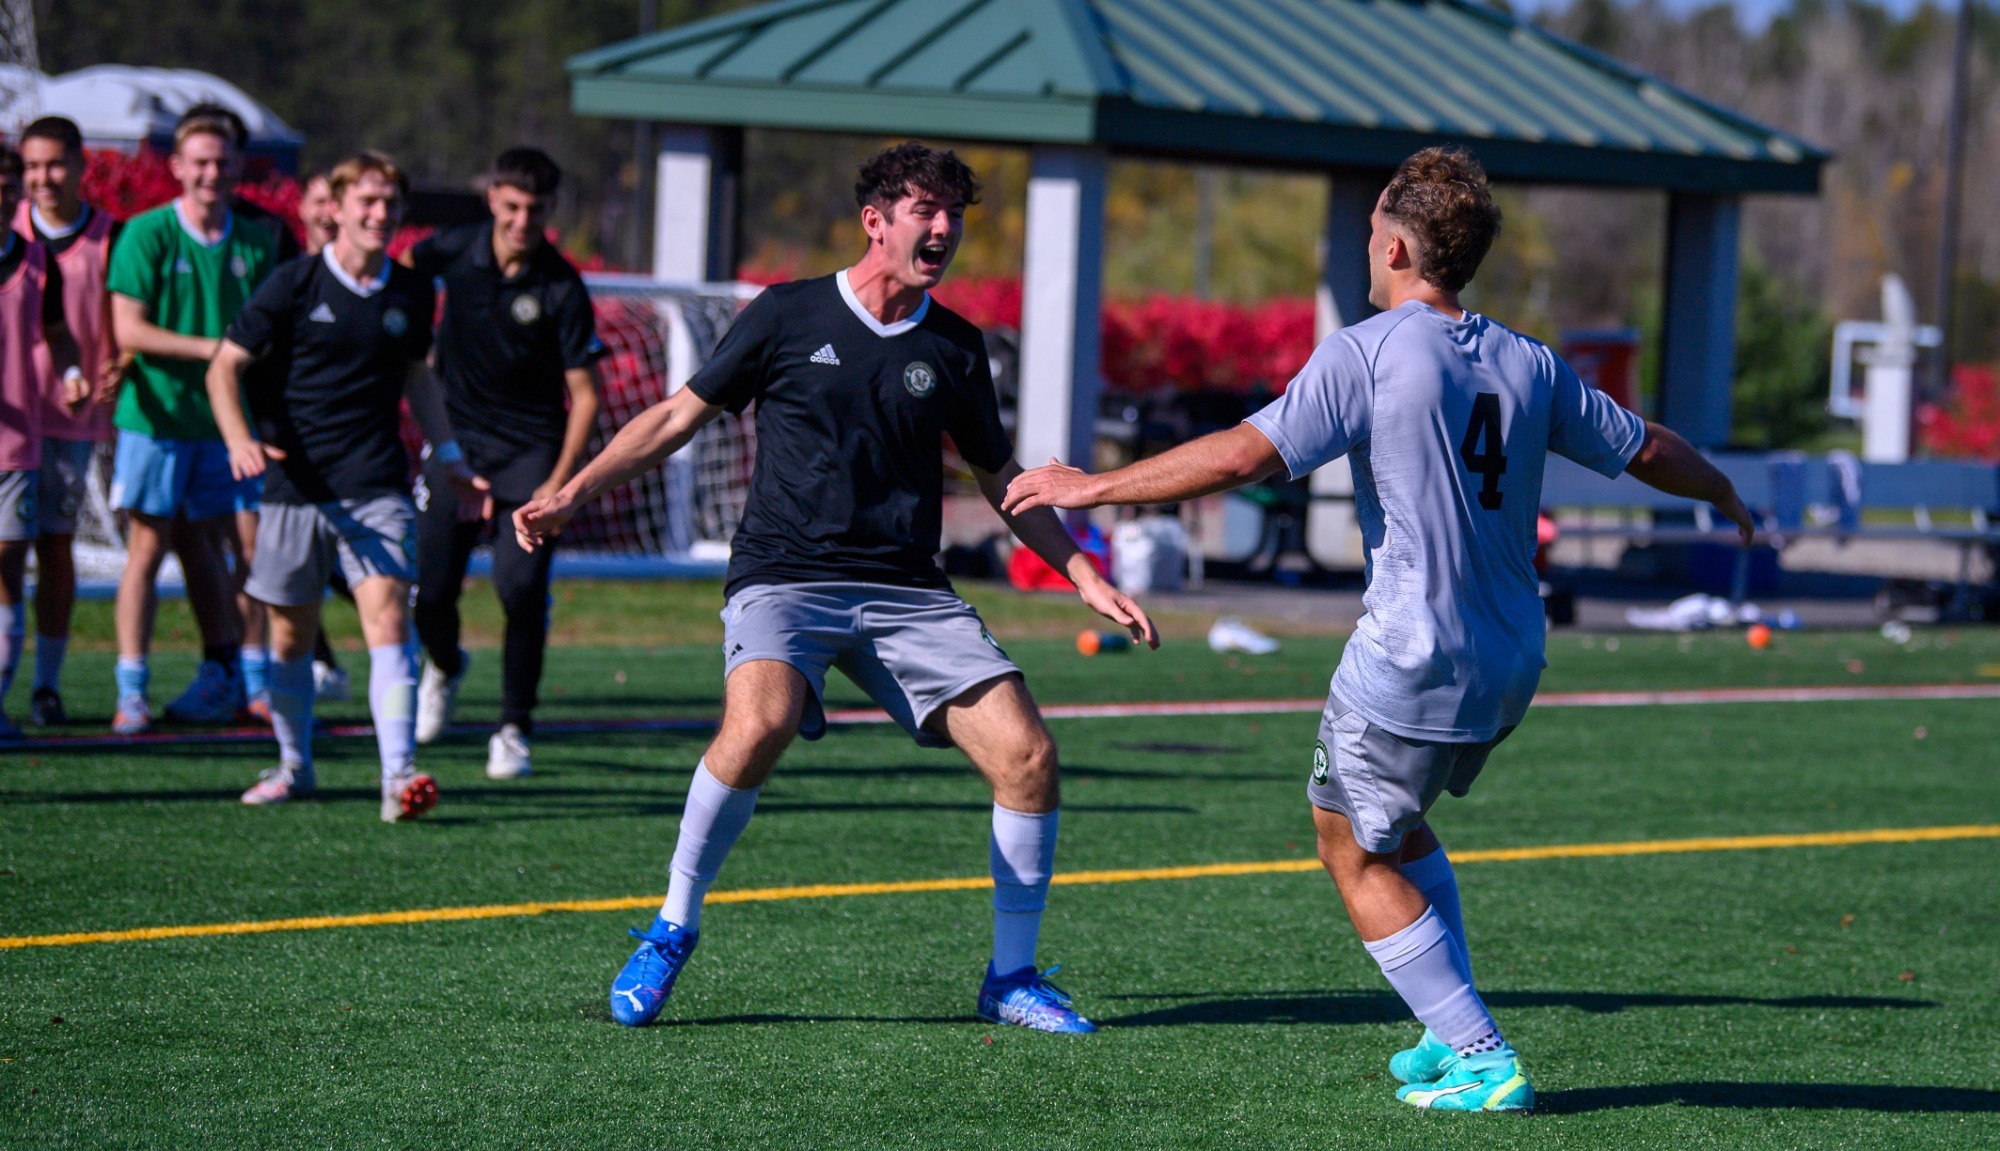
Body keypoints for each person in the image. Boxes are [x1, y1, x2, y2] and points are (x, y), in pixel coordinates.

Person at [1003, 147, 1756, 1112]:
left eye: (1370, 232)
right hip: (1512, 652)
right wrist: (1724, 489)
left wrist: (1089, 486)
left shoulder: (1363, 352)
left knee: (1347, 842)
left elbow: (1243, 458)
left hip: (1414, 649)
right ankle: (1451, 1033)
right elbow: (1646, 446)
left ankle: (1479, 1051)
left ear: (1396, 244)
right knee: (1396, 824)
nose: (1366, 246)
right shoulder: (1529, 362)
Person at [514, 142, 1156, 1031]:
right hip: (783, 576)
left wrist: (1084, 571)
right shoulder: (784, 315)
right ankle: (671, 926)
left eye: (955, 216)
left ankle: (1010, 978)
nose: (943, 230)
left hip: (907, 591)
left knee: (1029, 755)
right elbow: (673, 418)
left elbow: (1000, 477)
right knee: (760, 721)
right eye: (926, 212)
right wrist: (572, 492)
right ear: (875, 221)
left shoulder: (957, 348)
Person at [206, 150, 484, 822]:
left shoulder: (412, 292)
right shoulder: (294, 283)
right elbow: (224, 367)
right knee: (290, 637)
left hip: (375, 482)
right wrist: (240, 437)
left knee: (389, 617)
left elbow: (418, 377)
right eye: (366, 200)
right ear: (333, 206)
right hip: (293, 485)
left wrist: (448, 454)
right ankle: (296, 766)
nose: (379, 213)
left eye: (390, 202)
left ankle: (399, 778)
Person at [405, 147, 603, 779]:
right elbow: (407, 268)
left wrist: (556, 482)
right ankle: (447, 664)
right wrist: (414, 340)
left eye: (535, 210)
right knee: (429, 595)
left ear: (549, 211)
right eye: (512, 206)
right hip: (457, 449)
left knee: (519, 589)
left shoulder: (561, 286)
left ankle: (514, 726)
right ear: (493, 198)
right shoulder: (453, 249)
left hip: (530, 456)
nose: (522, 221)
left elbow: (588, 397)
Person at [104, 109, 281, 733]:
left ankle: (244, 681)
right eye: (199, 161)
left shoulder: (259, 242)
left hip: (230, 424)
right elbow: (127, 328)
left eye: (222, 160)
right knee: (147, 549)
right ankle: (132, 692)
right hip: (158, 419)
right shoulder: (148, 233)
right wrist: (218, 353)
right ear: (177, 167)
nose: (212, 171)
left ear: (238, 165)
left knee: (239, 548)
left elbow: (276, 338)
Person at [14, 116, 119, 726]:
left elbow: (126, 317)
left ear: (81, 166)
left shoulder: (110, 236)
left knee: (54, 547)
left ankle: (45, 684)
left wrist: (122, 360)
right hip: (8, 424)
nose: (42, 178)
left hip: (69, 424)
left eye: (54, 164)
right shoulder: (10, 235)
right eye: (31, 166)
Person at [0, 145, 82, 738]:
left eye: (9, 186)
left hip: (15, 442)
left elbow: (56, 333)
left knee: (9, 561)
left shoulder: (35, 260)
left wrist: (72, 374)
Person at [294, 169, 353, 704]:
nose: (325, 212)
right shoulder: (288, 279)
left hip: (358, 460)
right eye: (316, 200)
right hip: (289, 459)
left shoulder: (379, 284)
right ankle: (316, 662)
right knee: (288, 577)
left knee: (371, 580)